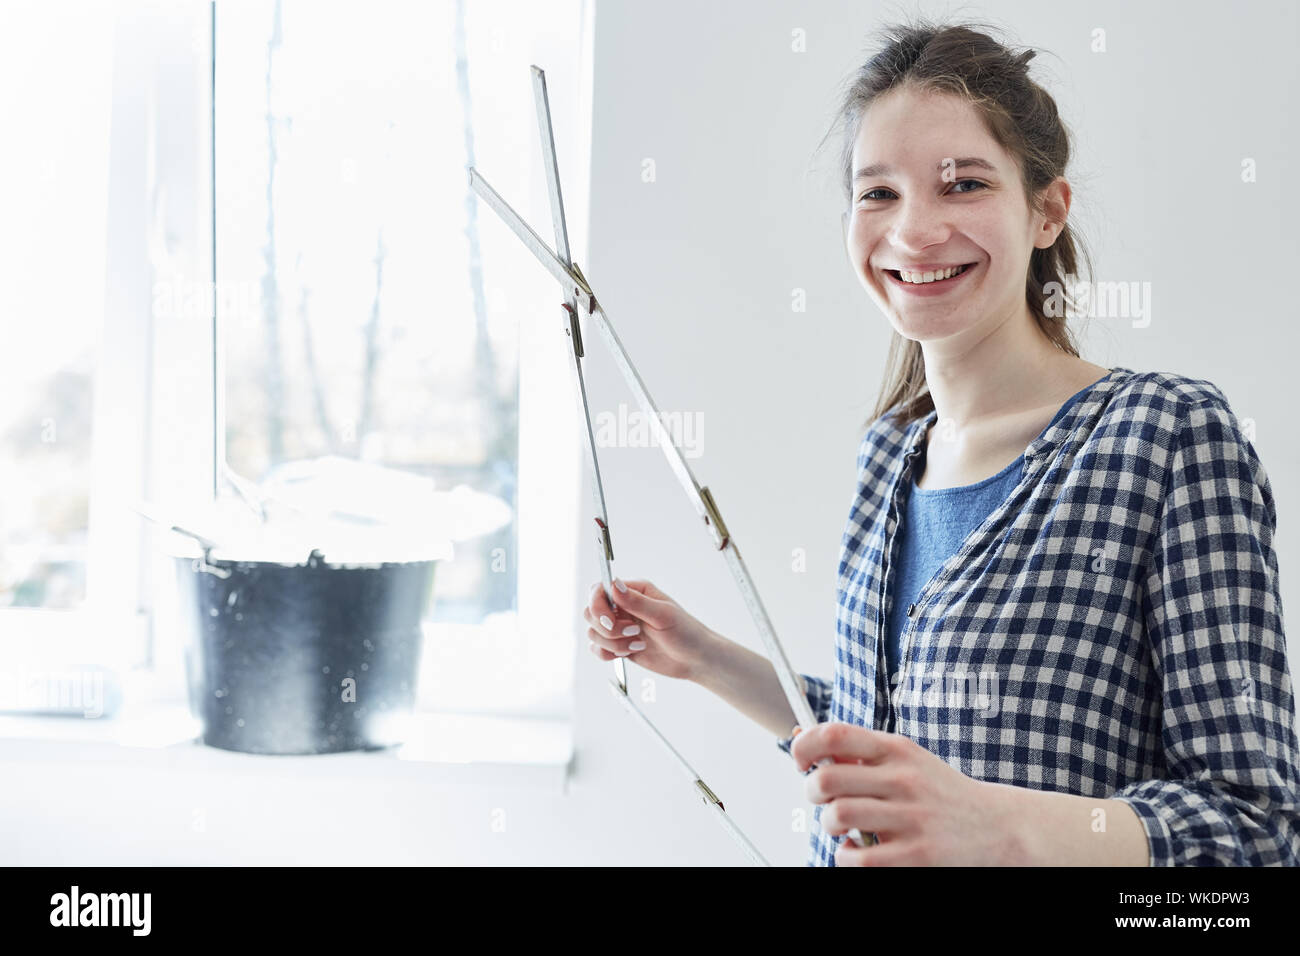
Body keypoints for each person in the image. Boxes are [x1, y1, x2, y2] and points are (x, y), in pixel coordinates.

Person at [582, 18, 1300, 866]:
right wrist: (706, 659)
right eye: (878, 192)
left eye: (962, 184)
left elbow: (1256, 834)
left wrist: (1001, 831)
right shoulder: (888, 455)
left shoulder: (1168, 438)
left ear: (1045, 211)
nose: (914, 231)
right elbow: (887, 733)